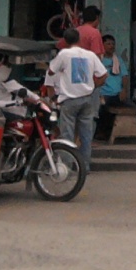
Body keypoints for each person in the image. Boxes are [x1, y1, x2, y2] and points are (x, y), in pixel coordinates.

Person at [46, 28, 106, 169]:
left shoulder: (64, 54)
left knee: (67, 135)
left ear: (65, 41)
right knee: (86, 135)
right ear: (79, 39)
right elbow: (103, 74)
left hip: (69, 100)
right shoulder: (90, 55)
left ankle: (67, 166)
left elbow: (51, 71)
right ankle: (84, 167)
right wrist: (94, 86)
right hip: (87, 98)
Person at [0, 50, 36, 118]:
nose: (8, 68)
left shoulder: (6, 80)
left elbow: (23, 90)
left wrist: (37, 99)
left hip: (19, 115)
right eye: (6, 65)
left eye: (9, 65)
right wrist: (19, 102)